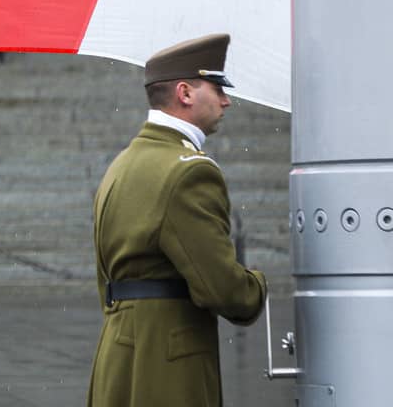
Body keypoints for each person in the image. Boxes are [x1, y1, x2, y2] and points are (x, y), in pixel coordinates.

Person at [87, 33, 267, 407]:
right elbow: (225, 292)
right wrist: (257, 285)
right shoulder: (188, 173)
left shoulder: (122, 165)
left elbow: (106, 276)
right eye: (217, 88)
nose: (226, 100)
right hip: (168, 363)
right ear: (185, 93)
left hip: (118, 354)